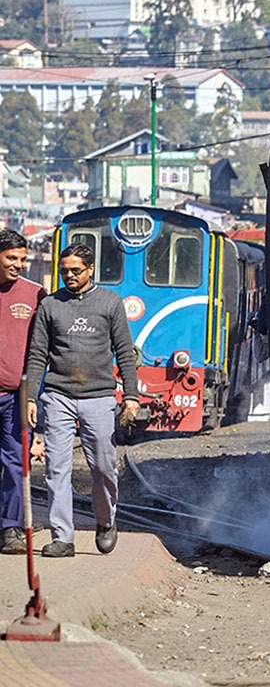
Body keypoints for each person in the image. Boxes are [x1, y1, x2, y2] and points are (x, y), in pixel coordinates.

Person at [25, 243, 139, 558]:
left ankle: (106, 521)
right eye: (64, 271)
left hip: (99, 397)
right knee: (56, 468)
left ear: (91, 269)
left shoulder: (110, 303)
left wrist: (131, 396)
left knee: (103, 468)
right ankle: (63, 537)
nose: (70, 276)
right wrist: (32, 397)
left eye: (76, 270)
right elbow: (37, 355)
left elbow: (125, 353)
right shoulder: (49, 306)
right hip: (58, 396)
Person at [0, 230, 45, 555]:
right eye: (11, 258)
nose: (18, 265)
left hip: (15, 398)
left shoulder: (35, 295)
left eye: (22, 259)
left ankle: (11, 528)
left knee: (16, 463)